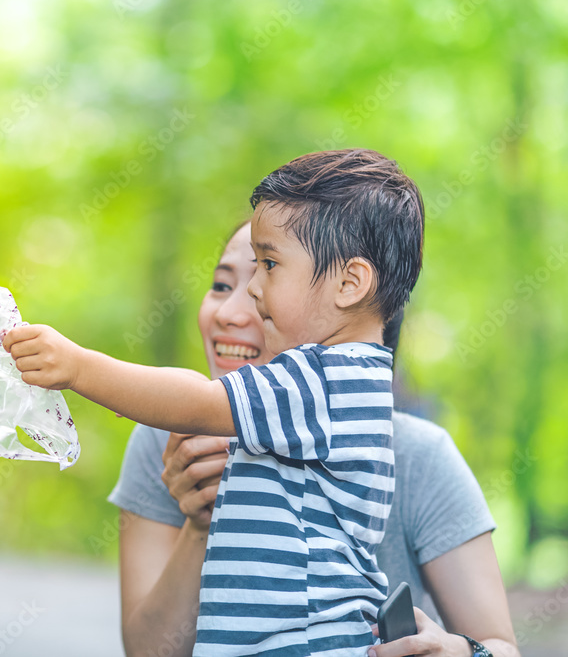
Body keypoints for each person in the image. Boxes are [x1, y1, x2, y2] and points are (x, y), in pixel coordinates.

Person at [4, 149, 423, 655]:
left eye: (268, 265)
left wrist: (77, 367)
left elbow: (197, 401)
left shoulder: (322, 380)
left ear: (350, 283)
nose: (253, 289)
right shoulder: (344, 379)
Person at [108, 224, 520, 656]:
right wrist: (200, 526)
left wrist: (458, 651)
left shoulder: (417, 455)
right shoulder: (168, 441)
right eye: (221, 284)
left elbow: (502, 647)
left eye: (264, 281)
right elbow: (149, 652)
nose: (228, 312)